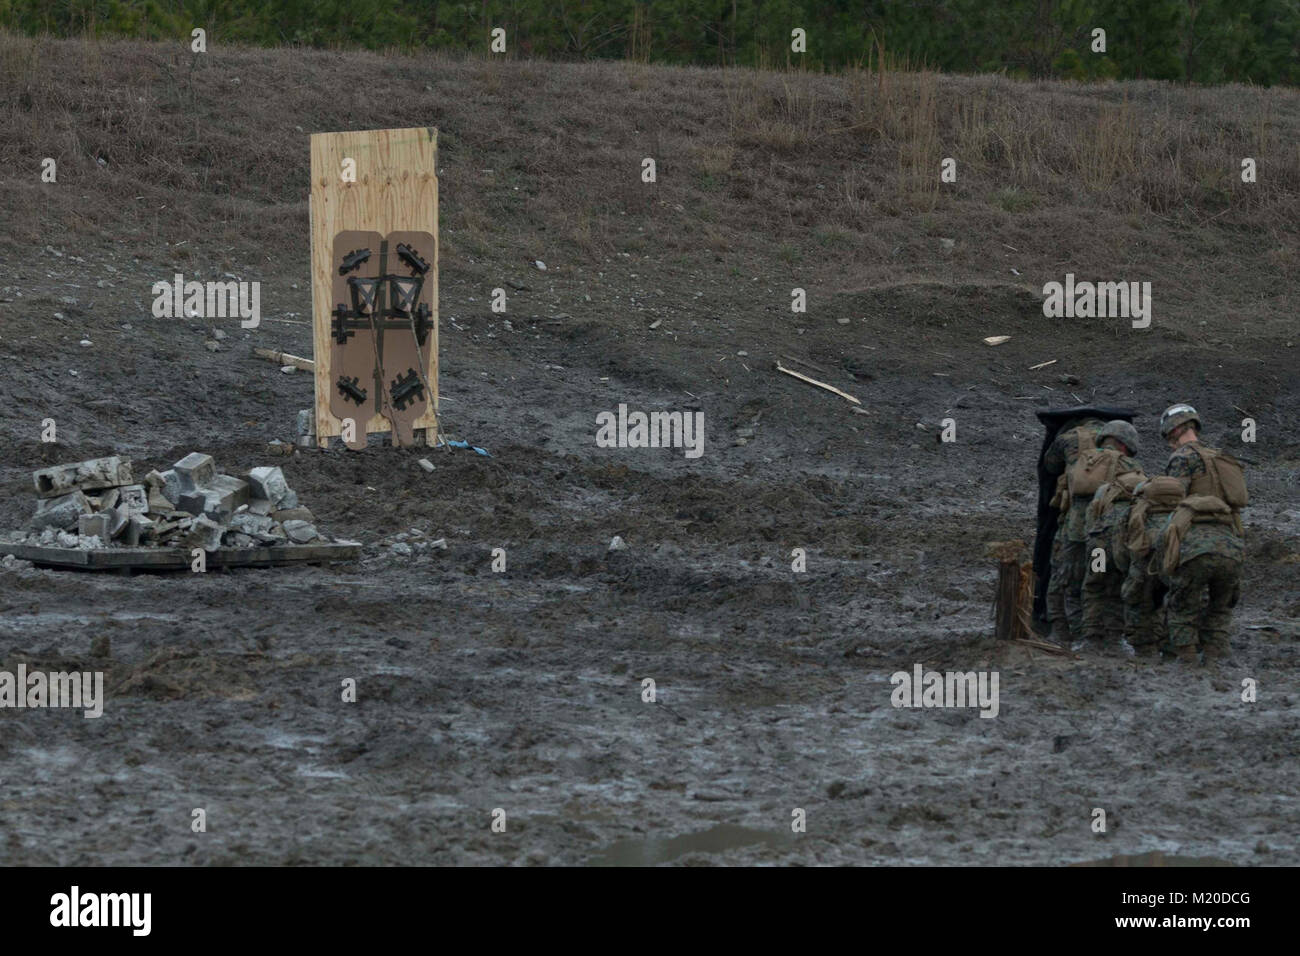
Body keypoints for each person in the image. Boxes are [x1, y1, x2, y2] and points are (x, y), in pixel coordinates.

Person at [1158, 404, 1247, 665]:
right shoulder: (1223, 459)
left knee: (1182, 604)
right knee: (1220, 608)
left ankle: (1186, 660)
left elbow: (1171, 503)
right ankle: (1213, 658)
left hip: (1195, 546)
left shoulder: (1181, 459)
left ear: (1174, 431)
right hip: (1231, 546)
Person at [1079, 421, 1145, 651]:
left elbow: (1091, 513)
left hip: (1097, 542)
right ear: (1126, 444)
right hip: (1121, 542)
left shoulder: (1086, 460)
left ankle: (1091, 637)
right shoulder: (1134, 469)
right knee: (1117, 585)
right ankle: (1116, 639)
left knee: (1095, 585)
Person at [1042, 415, 1106, 642]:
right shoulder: (1116, 440)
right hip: (1106, 522)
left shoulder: (1068, 438)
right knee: (1099, 575)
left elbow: (1049, 464)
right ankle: (1093, 632)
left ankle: (1060, 630)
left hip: (1073, 521)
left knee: (1063, 573)